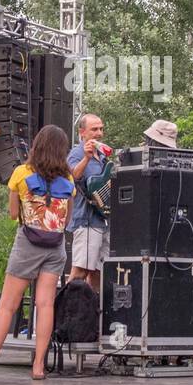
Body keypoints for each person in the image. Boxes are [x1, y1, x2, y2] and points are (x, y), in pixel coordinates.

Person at [0, 124, 73, 382]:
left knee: (7, 305)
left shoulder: (20, 173)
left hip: (28, 243)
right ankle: (38, 367)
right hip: (56, 245)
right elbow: (67, 220)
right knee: (46, 304)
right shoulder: (68, 180)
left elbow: (14, 214)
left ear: (37, 145)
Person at [65, 114, 108, 293]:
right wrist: (86, 158)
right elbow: (73, 176)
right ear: (82, 132)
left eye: (101, 129)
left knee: (99, 272)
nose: (99, 133)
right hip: (86, 221)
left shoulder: (103, 156)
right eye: (94, 129)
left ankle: (93, 315)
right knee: (80, 271)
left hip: (103, 220)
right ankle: (65, 312)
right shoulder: (76, 153)